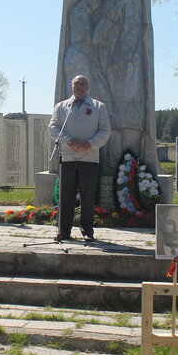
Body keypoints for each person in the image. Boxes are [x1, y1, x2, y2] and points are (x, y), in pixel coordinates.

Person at [48, 75, 110, 241]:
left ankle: (87, 231)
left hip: (89, 158)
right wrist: (68, 141)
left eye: (82, 84)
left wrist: (89, 144)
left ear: (87, 87)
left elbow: (105, 131)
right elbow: (53, 128)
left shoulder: (98, 107)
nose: (79, 86)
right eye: (76, 84)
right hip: (68, 158)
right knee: (66, 196)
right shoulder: (61, 107)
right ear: (71, 87)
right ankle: (64, 231)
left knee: (87, 196)